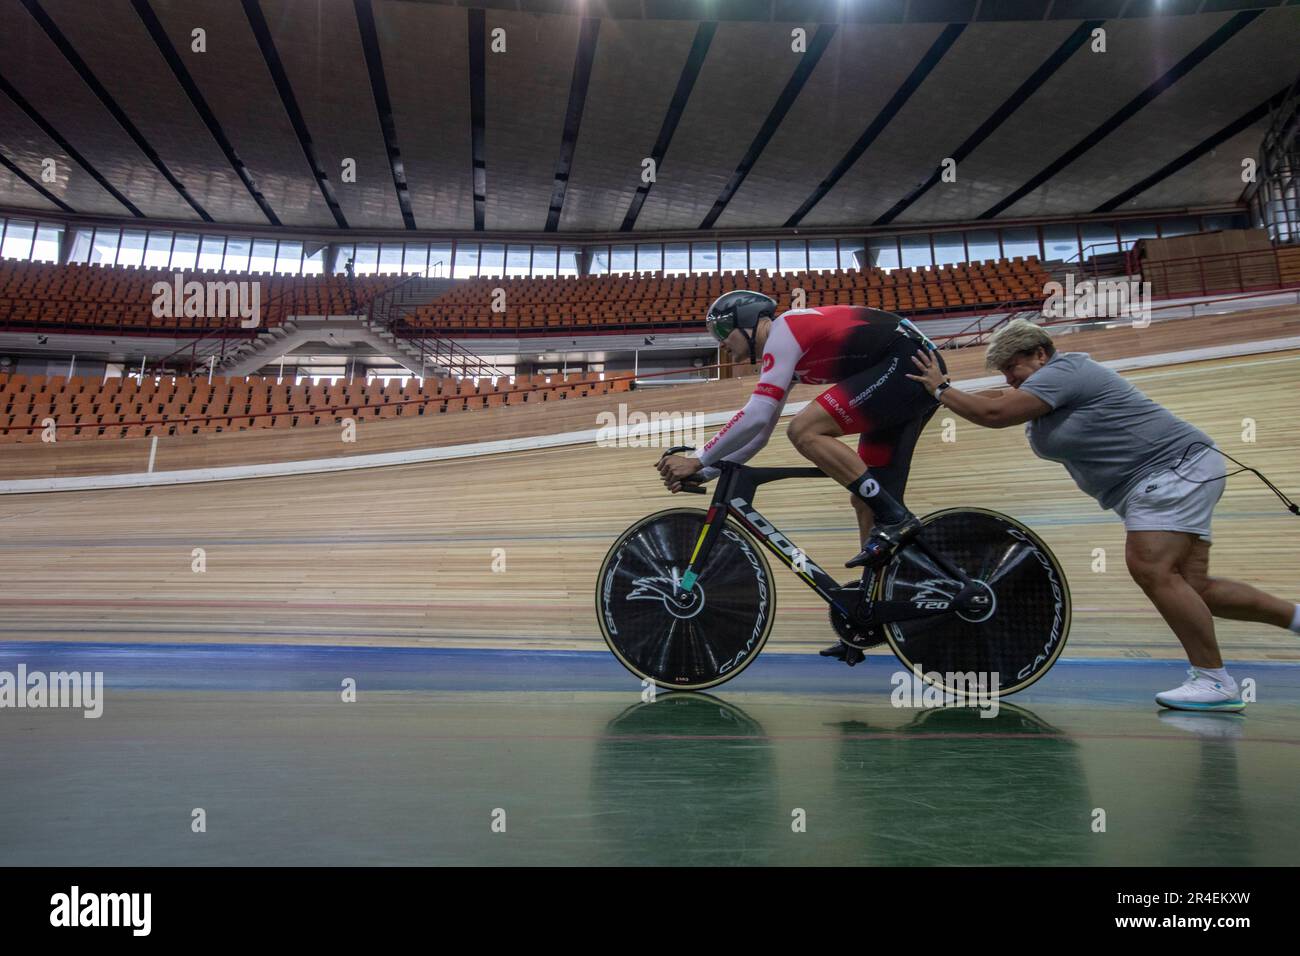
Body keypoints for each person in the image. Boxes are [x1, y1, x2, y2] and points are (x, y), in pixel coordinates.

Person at [906, 318, 1300, 712]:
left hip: (1170, 470)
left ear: (1040, 353)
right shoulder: (1047, 385)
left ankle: (1214, 681)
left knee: (1151, 569)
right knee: (1194, 588)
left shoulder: (1067, 370)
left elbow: (993, 414)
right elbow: (991, 400)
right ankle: (1295, 619)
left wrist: (940, 388)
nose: (1010, 378)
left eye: (1013, 367)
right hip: (1179, 471)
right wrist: (939, 393)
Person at [655, 290, 945, 664]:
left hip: (907, 364)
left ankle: (897, 519)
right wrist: (709, 469)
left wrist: (697, 457)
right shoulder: (786, 351)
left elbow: (757, 414)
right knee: (867, 500)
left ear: (748, 320)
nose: (723, 343)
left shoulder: (783, 332)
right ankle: (868, 615)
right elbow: (759, 432)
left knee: (805, 431)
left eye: (724, 330)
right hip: (903, 371)